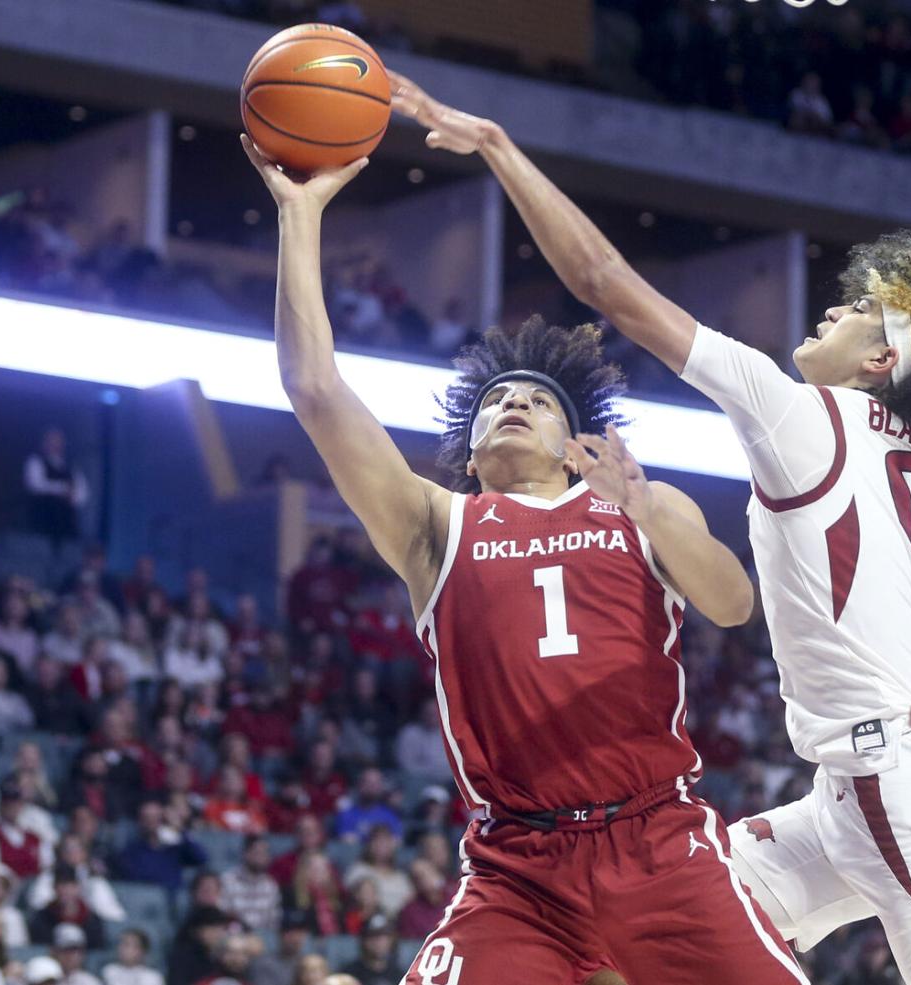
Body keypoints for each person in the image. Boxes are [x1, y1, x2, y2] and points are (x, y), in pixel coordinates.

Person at [388, 72, 911, 985]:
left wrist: (503, 150)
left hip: (901, 782)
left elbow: (604, 284)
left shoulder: (799, 414)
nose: (834, 306)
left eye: (856, 308)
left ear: (881, 358)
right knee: (659, 905)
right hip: (842, 800)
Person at [241, 132, 805, 985]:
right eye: (498, 399)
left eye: (538, 400)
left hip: (660, 840)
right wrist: (299, 215)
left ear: (574, 439)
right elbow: (315, 391)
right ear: (467, 451)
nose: (514, 404)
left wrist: (646, 505)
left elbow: (733, 604)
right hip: (518, 865)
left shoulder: (638, 506)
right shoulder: (438, 524)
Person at [22, 428, 88, 547]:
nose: (55, 445)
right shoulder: (36, 461)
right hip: (42, 520)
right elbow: (35, 485)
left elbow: (82, 492)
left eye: (58, 442)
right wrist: (62, 488)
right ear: (44, 443)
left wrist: (73, 496)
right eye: (52, 441)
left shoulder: (71, 466)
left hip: (66, 524)